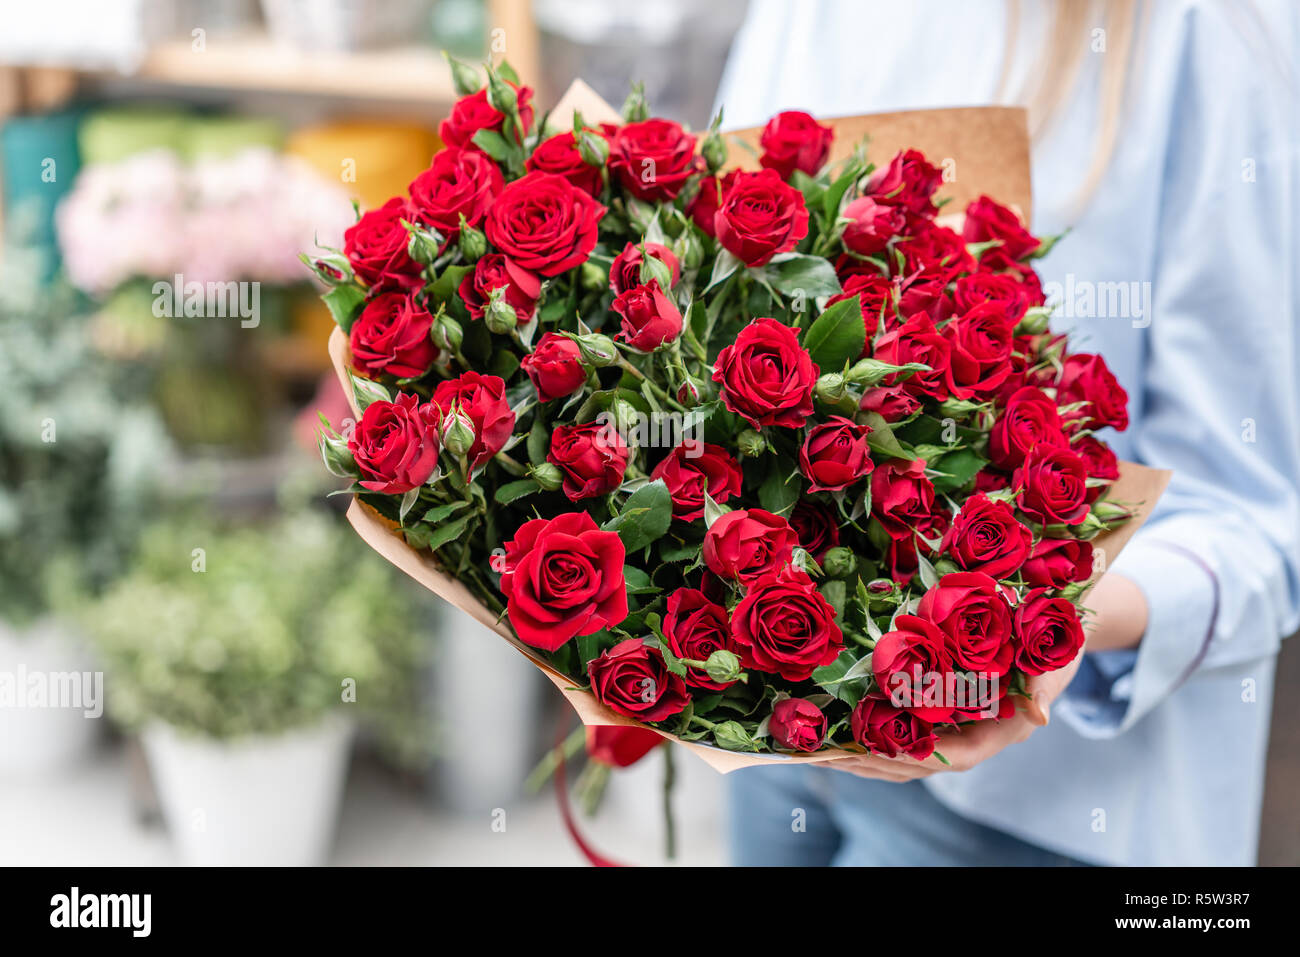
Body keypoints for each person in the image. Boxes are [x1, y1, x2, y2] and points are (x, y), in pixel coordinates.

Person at [715, 0, 1300, 866]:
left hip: (1035, 807)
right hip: (767, 726)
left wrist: (1043, 623)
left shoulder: (1205, 29)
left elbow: (1255, 523)